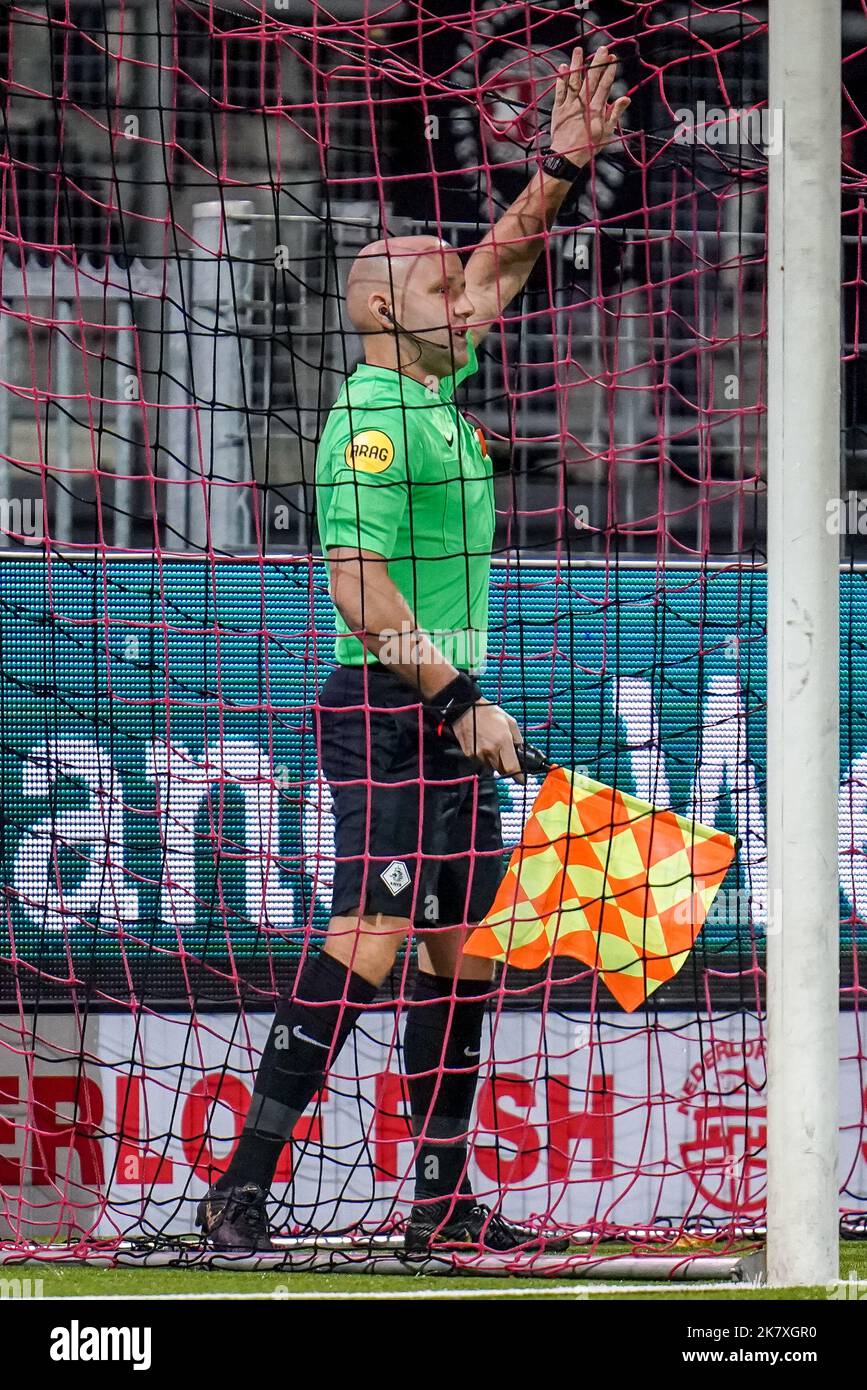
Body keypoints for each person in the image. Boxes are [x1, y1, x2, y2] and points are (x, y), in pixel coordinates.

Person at [198, 45, 629, 1253]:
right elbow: (360, 587)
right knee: (371, 941)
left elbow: (501, 264)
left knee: (459, 951)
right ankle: (240, 1187)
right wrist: (464, 697)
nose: (474, 305)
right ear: (389, 310)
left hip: (433, 714)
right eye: (446, 294)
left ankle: (437, 1207)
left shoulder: (431, 386)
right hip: (389, 705)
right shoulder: (375, 418)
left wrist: (558, 167)